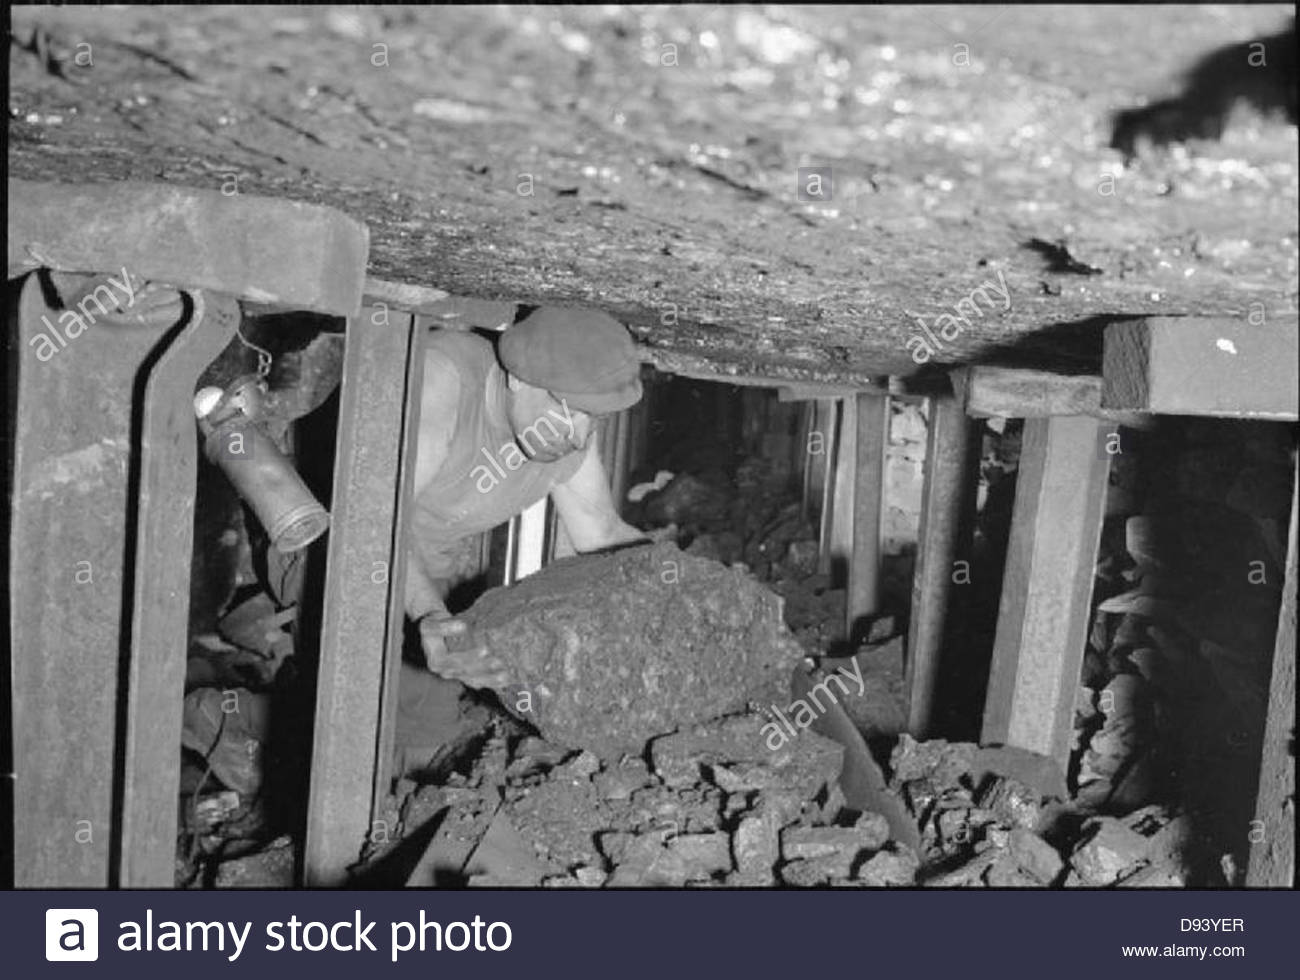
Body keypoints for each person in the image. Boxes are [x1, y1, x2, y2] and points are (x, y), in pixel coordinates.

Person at [404, 305, 649, 691]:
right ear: (517, 379)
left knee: (433, 723)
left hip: (424, 585)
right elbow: (373, 520)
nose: (579, 437)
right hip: (339, 554)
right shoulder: (444, 379)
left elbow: (601, 533)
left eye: (595, 417)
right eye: (569, 410)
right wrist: (430, 613)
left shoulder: (565, 430)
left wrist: (683, 581)